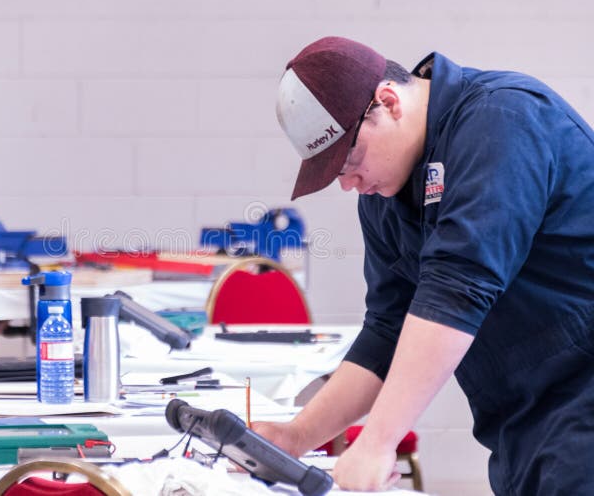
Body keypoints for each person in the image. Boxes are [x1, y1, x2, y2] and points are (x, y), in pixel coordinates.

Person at [254, 36, 594, 495]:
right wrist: (296, 437)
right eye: (334, 174)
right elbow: (386, 333)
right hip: (521, 428)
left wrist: (377, 443)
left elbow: (459, 287)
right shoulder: (385, 196)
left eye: (348, 160)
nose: (348, 183)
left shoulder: (503, 122)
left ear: (388, 102)